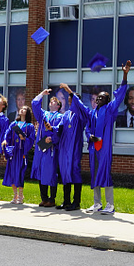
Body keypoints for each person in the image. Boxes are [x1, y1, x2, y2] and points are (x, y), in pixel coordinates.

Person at [69, 61, 133, 214]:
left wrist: (124, 75)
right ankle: (97, 203)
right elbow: (87, 126)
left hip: (103, 147)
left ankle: (110, 204)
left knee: (105, 173)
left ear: (107, 100)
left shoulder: (110, 109)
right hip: (93, 146)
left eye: (102, 98)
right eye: (97, 98)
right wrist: (89, 136)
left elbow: (120, 95)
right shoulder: (92, 113)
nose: (98, 99)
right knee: (95, 173)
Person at [54, 82, 90, 211]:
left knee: (74, 171)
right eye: (69, 100)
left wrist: (68, 89)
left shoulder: (81, 115)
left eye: (71, 100)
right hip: (64, 147)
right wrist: (51, 128)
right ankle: (66, 201)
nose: (70, 102)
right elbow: (59, 128)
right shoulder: (66, 114)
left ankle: (77, 202)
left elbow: (79, 105)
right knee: (64, 172)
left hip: (74, 147)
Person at [30, 90, 61, 207]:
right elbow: (34, 103)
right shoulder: (43, 115)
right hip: (41, 148)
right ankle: (44, 198)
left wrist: (52, 139)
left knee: (51, 172)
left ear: (58, 105)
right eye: (51, 101)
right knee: (40, 172)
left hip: (51, 149)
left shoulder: (61, 116)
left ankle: (52, 199)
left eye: (54, 101)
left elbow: (60, 131)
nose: (51, 102)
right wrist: (42, 94)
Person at [0, 106, 36, 204]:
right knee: (12, 172)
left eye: (24, 109)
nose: (22, 110)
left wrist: (24, 139)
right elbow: (7, 134)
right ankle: (15, 195)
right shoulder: (13, 124)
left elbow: (32, 140)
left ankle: (21, 195)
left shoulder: (29, 126)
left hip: (21, 152)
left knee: (20, 173)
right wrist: (5, 141)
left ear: (27, 112)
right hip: (13, 152)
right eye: (21, 109)